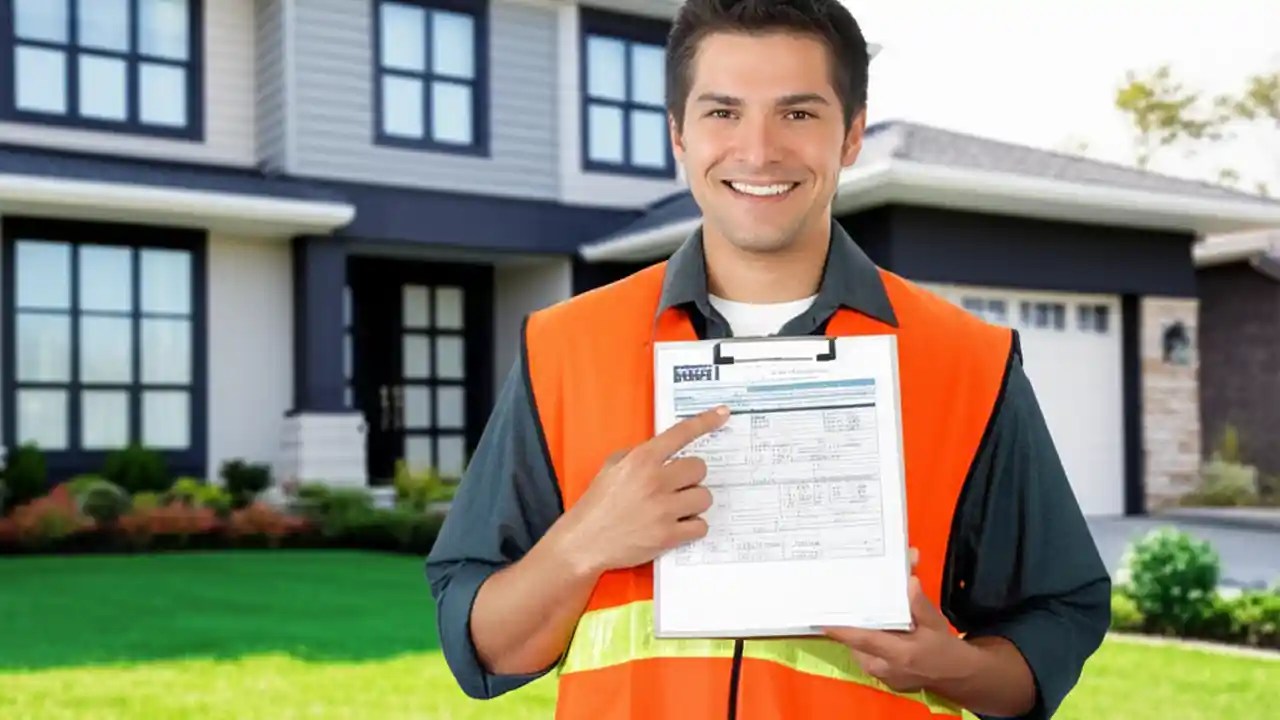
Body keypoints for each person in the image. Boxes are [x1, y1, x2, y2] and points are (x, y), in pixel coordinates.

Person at [425, 1, 1111, 718]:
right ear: (678, 136)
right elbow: (483, 650)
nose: (757, 151)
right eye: (723, 112)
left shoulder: (969, 362)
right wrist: (581, 545)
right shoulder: (563, 348)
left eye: (798, 114)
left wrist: (957, 667)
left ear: (850, 137)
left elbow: (1058, 617)